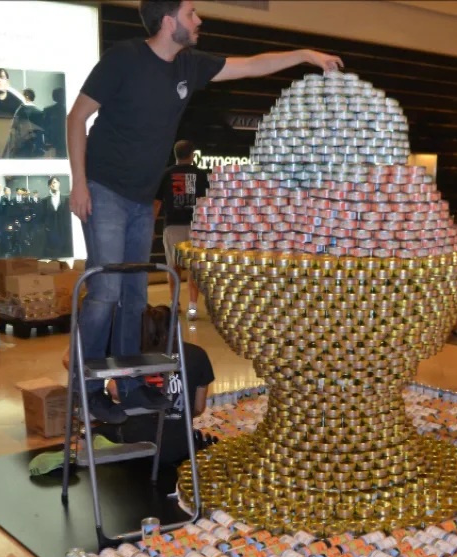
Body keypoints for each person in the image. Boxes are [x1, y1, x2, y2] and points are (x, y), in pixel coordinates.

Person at [67, 0, 342, 424]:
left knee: (136, 296)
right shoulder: (124, 58)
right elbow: (76, 118)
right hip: (104, 191)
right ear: (168, 21)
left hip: (141, 199)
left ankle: (129, 383)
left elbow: (251, 65)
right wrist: (79, 183)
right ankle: (84, 391)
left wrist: (306, 55)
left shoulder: (188, 65)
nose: (200, 21)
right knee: (105, 291)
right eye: (192, 13)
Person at [63, 305, 215, 467]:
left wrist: (86, 338)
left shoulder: (134, 358)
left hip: (137, 444)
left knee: (94, 430)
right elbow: (198, 408)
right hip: (179, 447)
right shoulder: (198, 354)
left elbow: (112, 390)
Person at [154, 139, 208, 319]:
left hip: (173, 226)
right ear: (192, 154)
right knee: (194, 267)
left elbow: (157, 203)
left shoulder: (165, 174)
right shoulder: (201, 175)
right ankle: (192, 307)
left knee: (173, 266)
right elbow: (208, 204)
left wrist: (149, 226)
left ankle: (175, 304)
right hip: (197, 228)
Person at [41, 177, 73, 258]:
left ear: (59, 184)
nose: (53, 185)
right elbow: (42, 217)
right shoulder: (44, 201)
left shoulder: (67, 199)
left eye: (55, 182)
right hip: (50, 231)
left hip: (64, 231)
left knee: (65, 255)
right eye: (51, 183)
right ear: (49, 186)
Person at [43, 87, 67, 157]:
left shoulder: (48, 110)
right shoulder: (49, 110)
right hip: (54, 143)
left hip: (59, 142)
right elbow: (45, 127)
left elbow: (45, 127)